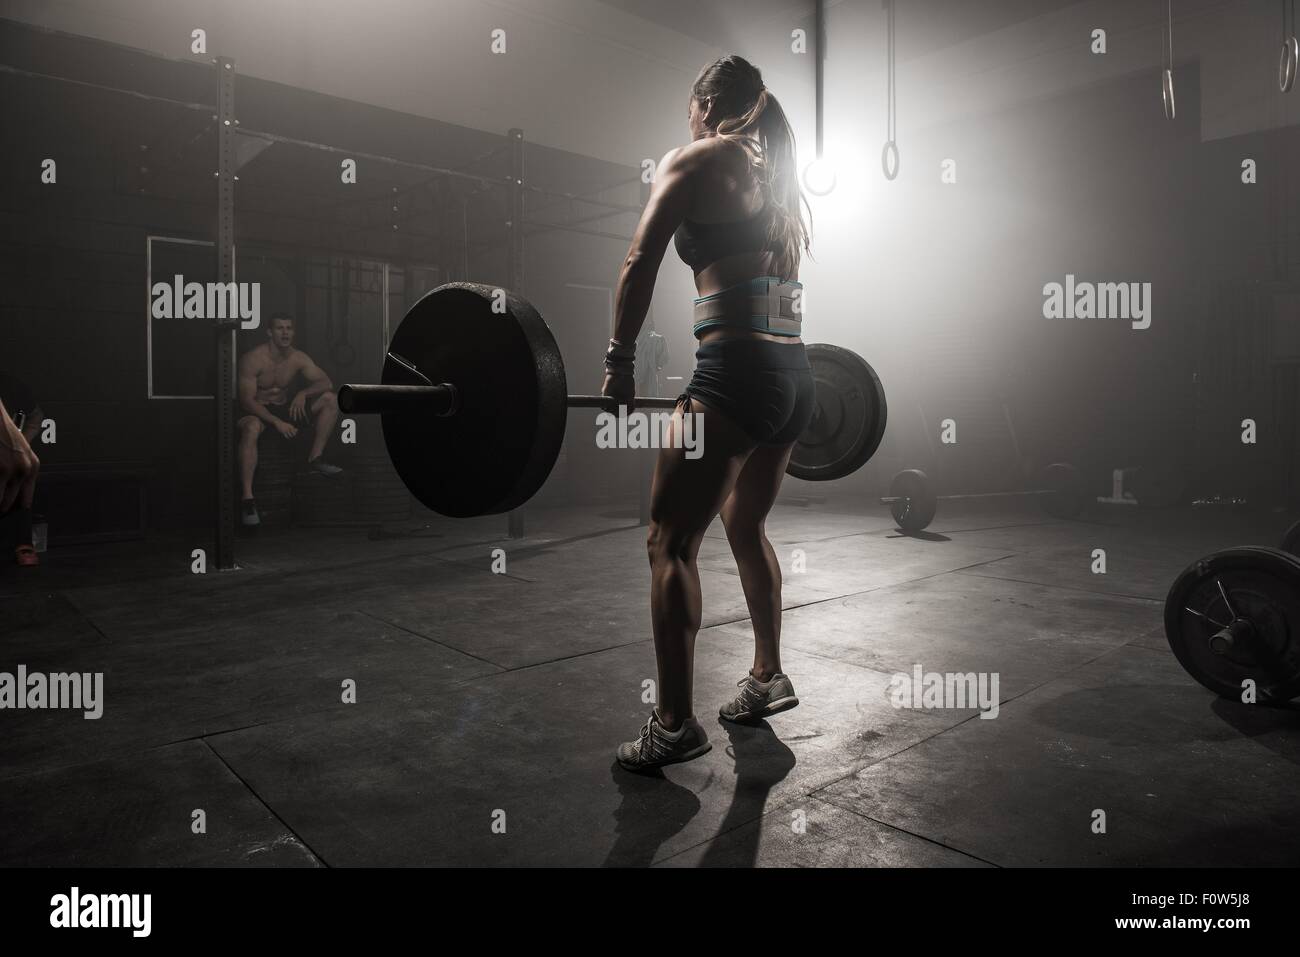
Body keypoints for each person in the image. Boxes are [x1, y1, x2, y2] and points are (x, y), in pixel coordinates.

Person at [607, 56, 814, 771]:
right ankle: (766, 675)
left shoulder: (695, 159)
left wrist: (618, 362)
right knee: (745, 522)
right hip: (793, 374)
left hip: (733, 379)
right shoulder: (779, 177)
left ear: (702, 106)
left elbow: (639, 262)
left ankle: (672, 724)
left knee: (669, 542)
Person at [235, 313, 342, 526]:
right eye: (279, 328)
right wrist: (276, 422)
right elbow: (247, 401)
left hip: (283, 408)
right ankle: (247, 499)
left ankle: (315, 458)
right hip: (257, 410)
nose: (285, 332)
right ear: (269, 332)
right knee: (251, 428)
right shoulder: (253, 359)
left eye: (289, 328)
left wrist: (303, 393)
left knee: (332, 399)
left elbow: (326, 382)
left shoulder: (298, 358)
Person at [0, 371, 43, 567]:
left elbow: (35, 416)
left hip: (10, 449)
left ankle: (23, 542)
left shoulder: (11, 383)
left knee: (29, 465)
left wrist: (21, 445)